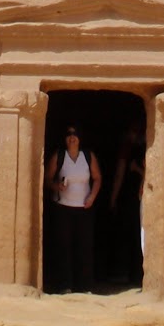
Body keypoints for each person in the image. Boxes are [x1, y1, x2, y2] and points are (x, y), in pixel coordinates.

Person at [45, 124, 101, 292]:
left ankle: (84, 285)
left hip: (84, 208)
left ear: (80, 137)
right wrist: (56, 186)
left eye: (75, 134)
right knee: (64, 247)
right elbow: (47, 178)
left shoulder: (88, 156)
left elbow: (97, 178)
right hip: (63, 207)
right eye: (69, 134)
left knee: (84, 246)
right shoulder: (59, 156)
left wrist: (92, 197)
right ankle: (65, 285)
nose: (72, 137)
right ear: (65, 138)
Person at [109, 118, 146, 285]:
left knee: (127, 234)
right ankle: (137, 274)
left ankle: (128, 273)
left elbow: (119, 174)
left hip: (130, 195)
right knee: (138, 234)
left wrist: (113, 199)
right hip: (140, 195)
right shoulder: (145, 147)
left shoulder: (128, 148)